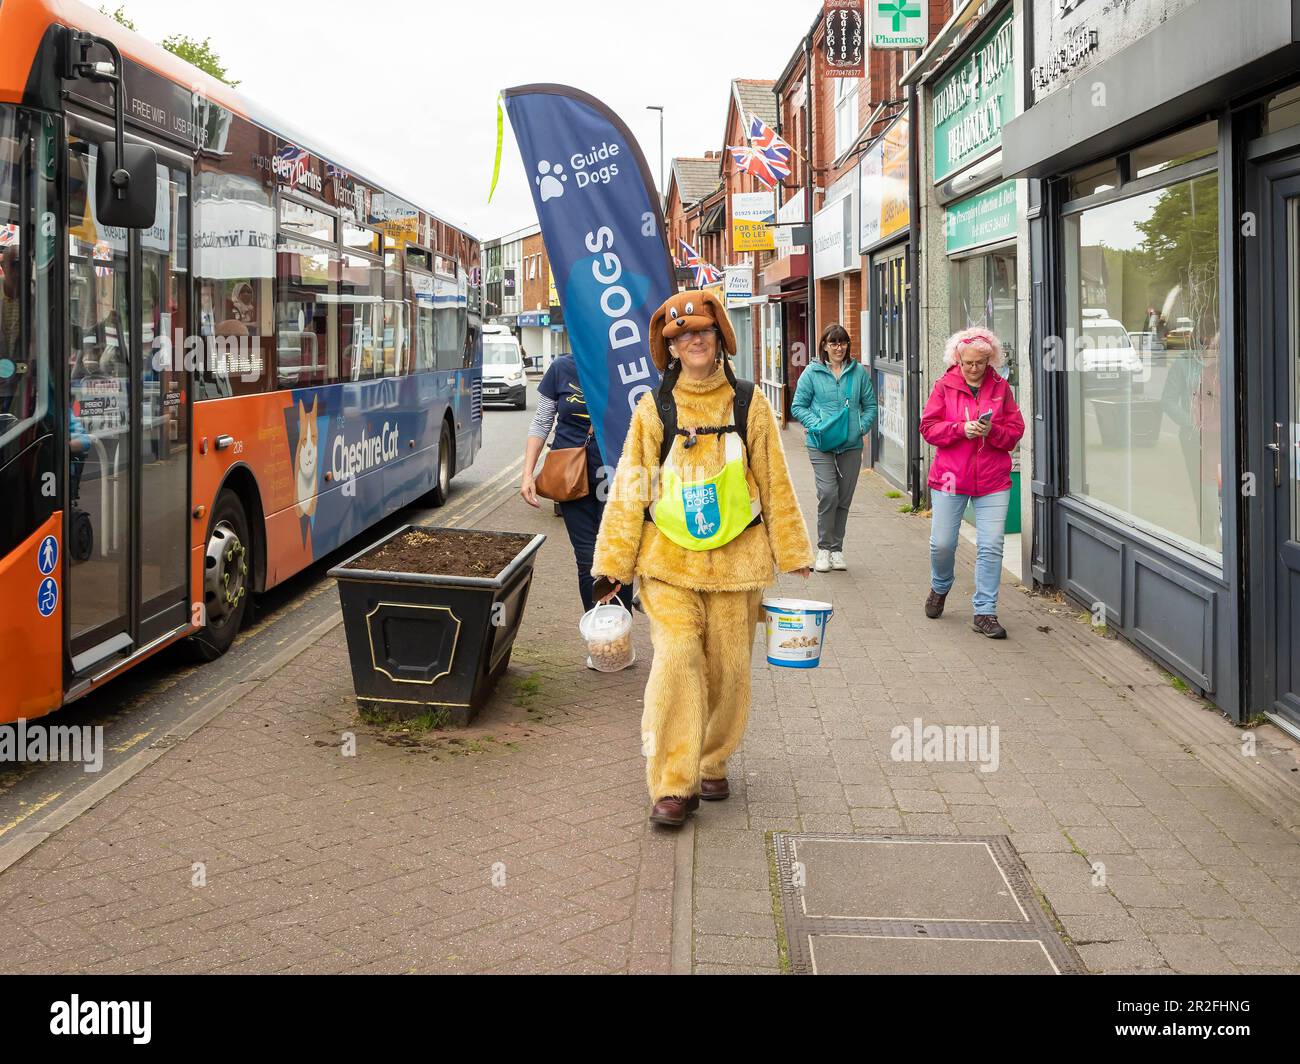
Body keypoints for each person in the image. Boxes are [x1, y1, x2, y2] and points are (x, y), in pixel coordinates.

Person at [591, 289, 814, 827]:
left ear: (719, 339)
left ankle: (712, 759)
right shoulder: (654, 409)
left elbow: (775, 482)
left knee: (729, 673)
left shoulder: (749, 403)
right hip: (667, 564)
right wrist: (612, 566)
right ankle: (673, 782)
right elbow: (630, 487)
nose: (693, 340)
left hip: (738, 566)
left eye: (703, 332)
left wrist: (794, 551)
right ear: (670, 348)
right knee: (676, 661)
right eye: (681, 335)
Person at [921, 328, 1025, 639]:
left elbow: (1014, 433)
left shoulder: (1001, 388)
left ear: (989, 359)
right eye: (967, 363)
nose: (973, 369)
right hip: (951, 477)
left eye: (980, 363)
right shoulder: (944, 386)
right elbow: (928, 428)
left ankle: (985, 611)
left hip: (993, 478)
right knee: (942, 543)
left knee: (992, 544)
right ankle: (940, 586)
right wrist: (959, 429)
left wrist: (991, 431)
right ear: (958, 359)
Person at [520, 352, 634, 627]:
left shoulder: (627, 365)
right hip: (570, 475)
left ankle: (620, 633)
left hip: (617, 474)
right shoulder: (562, 368)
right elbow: (541, 422)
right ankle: (598, 636)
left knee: (617, 557)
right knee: (586, 559)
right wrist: (527, 474)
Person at [790, 323, 877, 573]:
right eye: (833, 343)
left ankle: (837, 550)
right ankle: (824, 549)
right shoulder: (812, 372)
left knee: (843, 499)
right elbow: (798, 406)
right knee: (828, 493)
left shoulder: (858, 372)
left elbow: (870, 405)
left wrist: (861, 426)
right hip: (820, 444)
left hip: (850, 444)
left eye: (843, 343)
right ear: (824, 346)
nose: (839, 348)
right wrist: (817, 425)